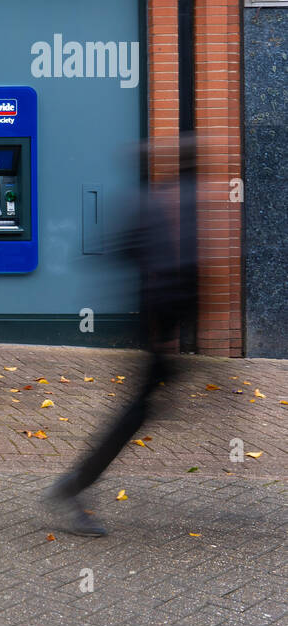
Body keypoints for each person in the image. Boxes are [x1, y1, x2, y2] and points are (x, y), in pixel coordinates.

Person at [44, 138, 198, 537]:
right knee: (134, 413)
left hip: (158, 327)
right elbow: (165, 267)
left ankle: (75, 485)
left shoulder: (151, 201)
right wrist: (163, 332)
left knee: (141, 409)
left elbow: (123, 253)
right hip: (158, 328)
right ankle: (73, 487)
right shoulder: (161, 203)